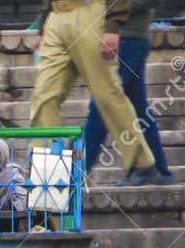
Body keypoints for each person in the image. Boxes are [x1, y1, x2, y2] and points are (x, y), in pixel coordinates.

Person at [31, 0, 154, 184]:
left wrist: (113, 25)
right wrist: (43, 24)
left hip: (90, 13)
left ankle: (141, 163)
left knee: (107, 94)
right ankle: (47, 175)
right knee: (43, 97)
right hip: (56, 16)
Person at [82, 0, 172, 185]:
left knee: (103, 103)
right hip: (124, 37)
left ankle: (78, 171)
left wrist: (117, 9)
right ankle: (159, 170)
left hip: (127, 38)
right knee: (138, 108)